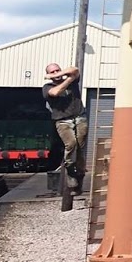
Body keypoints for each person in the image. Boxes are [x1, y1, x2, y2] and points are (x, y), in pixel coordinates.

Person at [42, 62, 87, 192]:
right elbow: (56, 92)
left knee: (80, 147)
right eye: (52, 72)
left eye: (58, 70)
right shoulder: (47, 87)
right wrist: (69, 79)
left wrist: (69, 76)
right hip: (62, 121)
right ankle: (70, 170)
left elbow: (75, 70)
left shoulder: (72, 79)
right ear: (49, 75)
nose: (56, 73)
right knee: (71, 144)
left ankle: (80, 175)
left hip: (80, 117)